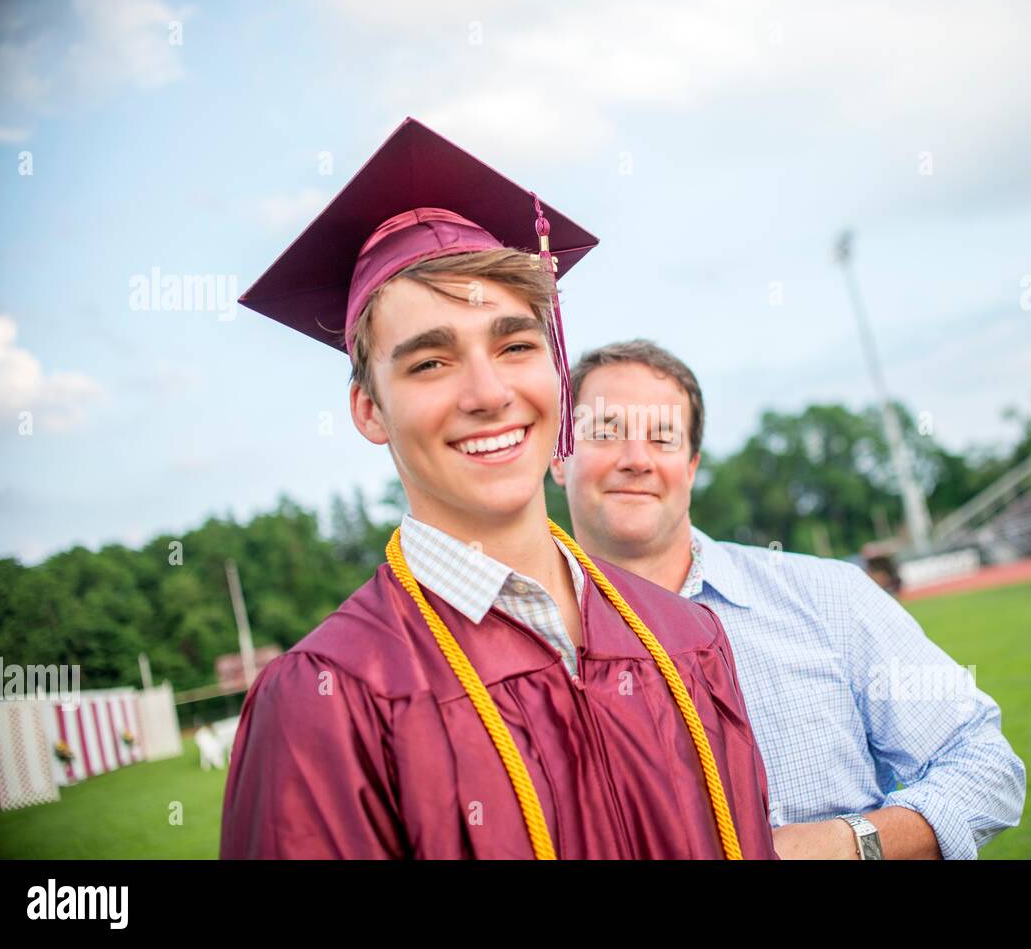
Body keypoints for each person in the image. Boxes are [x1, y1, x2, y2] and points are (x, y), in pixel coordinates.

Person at [219, 120, 777, 860]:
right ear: (368, 409)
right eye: (430, 363)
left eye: (516, 346)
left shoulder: (686, 641)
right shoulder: (328, 702)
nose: (488, 393)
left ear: (556, 369)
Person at [551, 339, 1027, 859]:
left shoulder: (830, 596)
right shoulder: (519, 642)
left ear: (690, 467)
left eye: (662, 438)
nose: (636, 459)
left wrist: (853, 841)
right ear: (559, 457)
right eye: (605, 432)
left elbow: (985, 765)